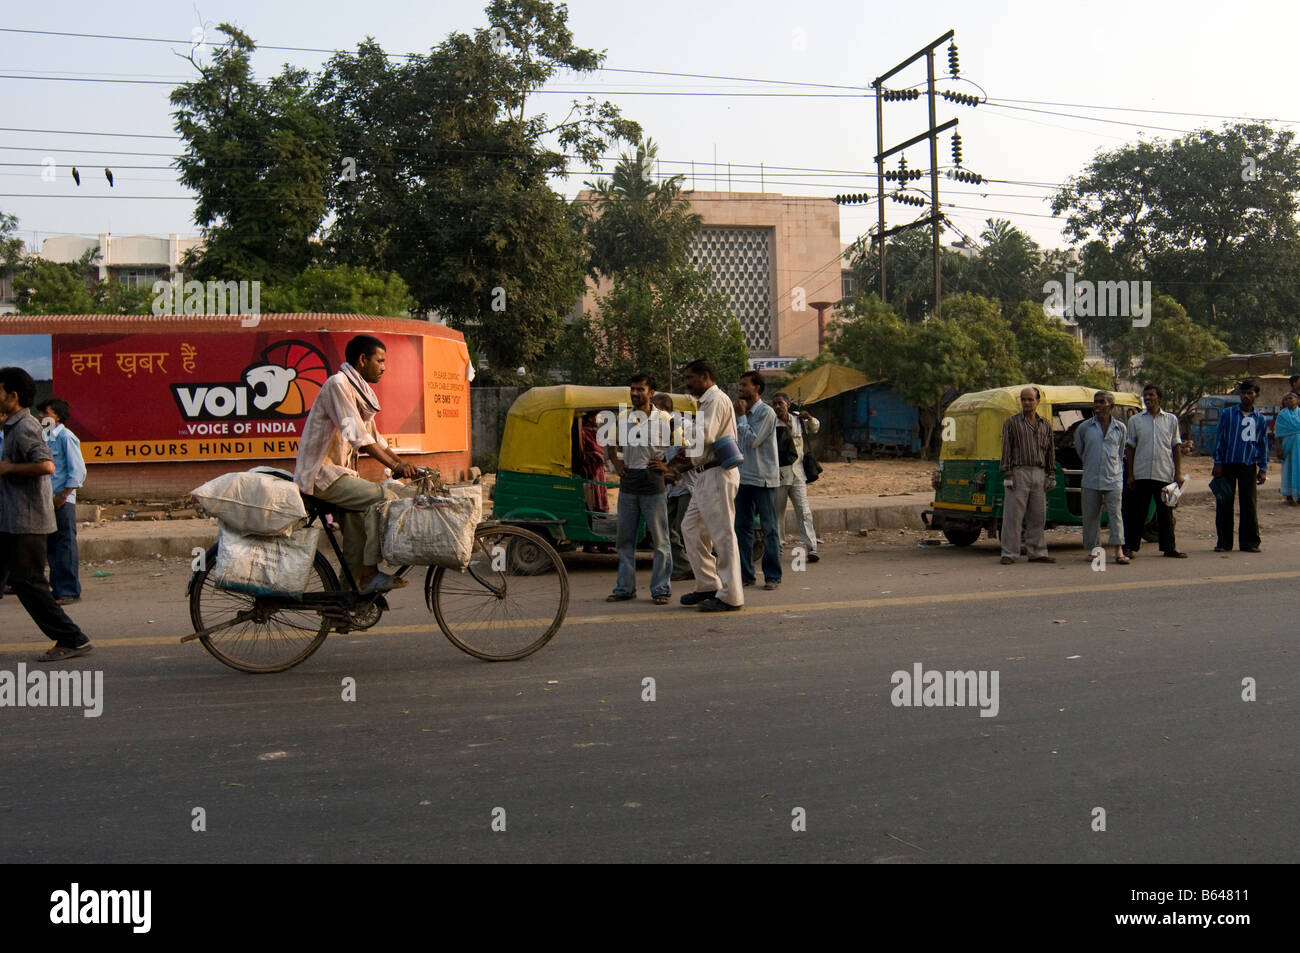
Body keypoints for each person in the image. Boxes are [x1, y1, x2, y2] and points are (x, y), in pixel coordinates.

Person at [294, 335, 417, 593]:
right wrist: (396, 468)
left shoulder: (358, 390)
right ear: (363, 360)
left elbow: (376, 439)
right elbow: (358, 437)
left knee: (357, 532)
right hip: (321, 477)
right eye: (380, 360)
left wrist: (404, 464)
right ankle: (369, 575)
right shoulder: (338, 385)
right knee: (381, 498)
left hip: (339, 476)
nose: (384, 367)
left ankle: (344, 600)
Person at [0, 367, 94, 661]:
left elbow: (46, 465)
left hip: (26, 520)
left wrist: (10, 468)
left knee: (30, 583)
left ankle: (72, 638)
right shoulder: (11, 426)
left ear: (12, 397)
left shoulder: (26, 427)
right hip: (11, 519)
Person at [667, 359, 743, 612]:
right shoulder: (707, 401)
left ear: (705, 376)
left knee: (722, 535)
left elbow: (706, 436)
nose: (687, 383)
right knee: (690, 528)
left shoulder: (714, 399)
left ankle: (731, 595)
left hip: (717, 474)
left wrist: (682, 433)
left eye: (690, 378)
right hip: (705, 475)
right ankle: (708, 584)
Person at [604, 374, 673, 605]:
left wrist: (668, 467)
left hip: (654, 484)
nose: (635, 393)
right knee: (625, 542)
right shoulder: (623, 417)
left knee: (660, 542)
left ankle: (661, 589)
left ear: (651, 392)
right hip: (629, 484)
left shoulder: (665, 418)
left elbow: (684, 445)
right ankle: (625, 589)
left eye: (640, 389)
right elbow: (609, 442)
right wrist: (615, 461)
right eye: (632, 389)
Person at [1123, 383, 1186, 559]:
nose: (1148, 398)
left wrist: (1178, 473)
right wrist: (1130, 474)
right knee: (1137, 513)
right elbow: (1130, 448)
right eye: (1146, 395)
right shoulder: (1135, 420)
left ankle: (1169, 548)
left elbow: (1176, 446)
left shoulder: (1171, 420)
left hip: (1164, 473)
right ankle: (1130, 547)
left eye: (1151, 395)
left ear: (1160, 398)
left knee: (1165, 514)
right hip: (1141, 473)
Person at [733, 370, 782, 590]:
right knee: (742, 527)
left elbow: (753, 441)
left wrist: (742, 417)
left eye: (745, 385)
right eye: (740, 385)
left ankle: (772, 575)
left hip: (763, 479)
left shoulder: (766, 412)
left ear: (757, 388)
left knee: (769, 528)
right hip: (743, 478)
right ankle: (746, 574)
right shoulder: (739, 413)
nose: (740, 388)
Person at [37, 398, 86, 604]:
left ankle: (68, 591)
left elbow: (78, 472)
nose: (41, 416)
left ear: (57, 416)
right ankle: (57, 589)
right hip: (46, 499)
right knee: (51, 546)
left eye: (45, 412)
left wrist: (63, 496)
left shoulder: (66, 437)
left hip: (62, 501)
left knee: (64, 545)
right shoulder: (44, 438)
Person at [999, 387, 1056, 565]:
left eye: (1030, 399)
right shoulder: (1012, 423)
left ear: (1038, 401)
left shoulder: (1045, 425)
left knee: (1038, 516)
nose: (1026, 403)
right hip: (1018, 472)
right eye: (1023, 399)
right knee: (1013, 516)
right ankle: (1009, 553)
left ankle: (1037, 552)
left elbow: (1050, 452)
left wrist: (1051, 473)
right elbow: (1006, 449)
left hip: (1039, 473)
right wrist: (1008, 473)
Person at [1212, 380, 1269, 552]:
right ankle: (1224, 542)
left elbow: (1262, 444)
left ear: (1256, 395)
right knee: (1224, 503)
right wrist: (1218, 462)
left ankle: (1250, 542)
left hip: (1248, 464)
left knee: (1249, 504)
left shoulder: (1259, 418)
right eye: (1243, 393)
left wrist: (1263, 468)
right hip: (1228, 463)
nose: (1246, 396)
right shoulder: (1228, 414)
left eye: (1250, 393)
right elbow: (1220, 438)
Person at [1073, 391, 1128, 565]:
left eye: (1101, 402)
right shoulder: (1085, 428)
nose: (1097, 405)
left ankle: (1119, 550)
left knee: (1116, 515)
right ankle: (1094, 550)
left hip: (1113, 478)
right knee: (1090, 516)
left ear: (1110, 406)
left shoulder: (1120, 428)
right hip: (1090, 478)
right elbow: (1081, 450)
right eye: (1095, 402)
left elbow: (1120, 453)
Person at [770, 392, 820, 562]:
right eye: (774, 404)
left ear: (788, 404)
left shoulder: (798, 420)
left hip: (798, 473)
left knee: (804, 510)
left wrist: (810, 418)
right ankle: (777, 547)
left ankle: (812, 547)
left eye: (780, 403)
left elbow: (815, 428)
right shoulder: (771, 423)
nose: (777, 407)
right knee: (777, 513)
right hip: (779, 474)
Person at [651, 393, 693, 580]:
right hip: (673, 489)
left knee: (687, 529)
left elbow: (690, 457)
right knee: (665, 528)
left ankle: (705, 565)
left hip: (689, 486)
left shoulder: (684, 427)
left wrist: (671, 469)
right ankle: (683, 566)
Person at [1276, 391, 1300, 505]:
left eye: (1290, 398)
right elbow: (1277, 433)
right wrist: (1279, 448)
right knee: (1289, 469)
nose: (1288, 400)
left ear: (1297, 400)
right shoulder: (1282, 415)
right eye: (1286, 399)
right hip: (1288, 446)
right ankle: (1289, 496)